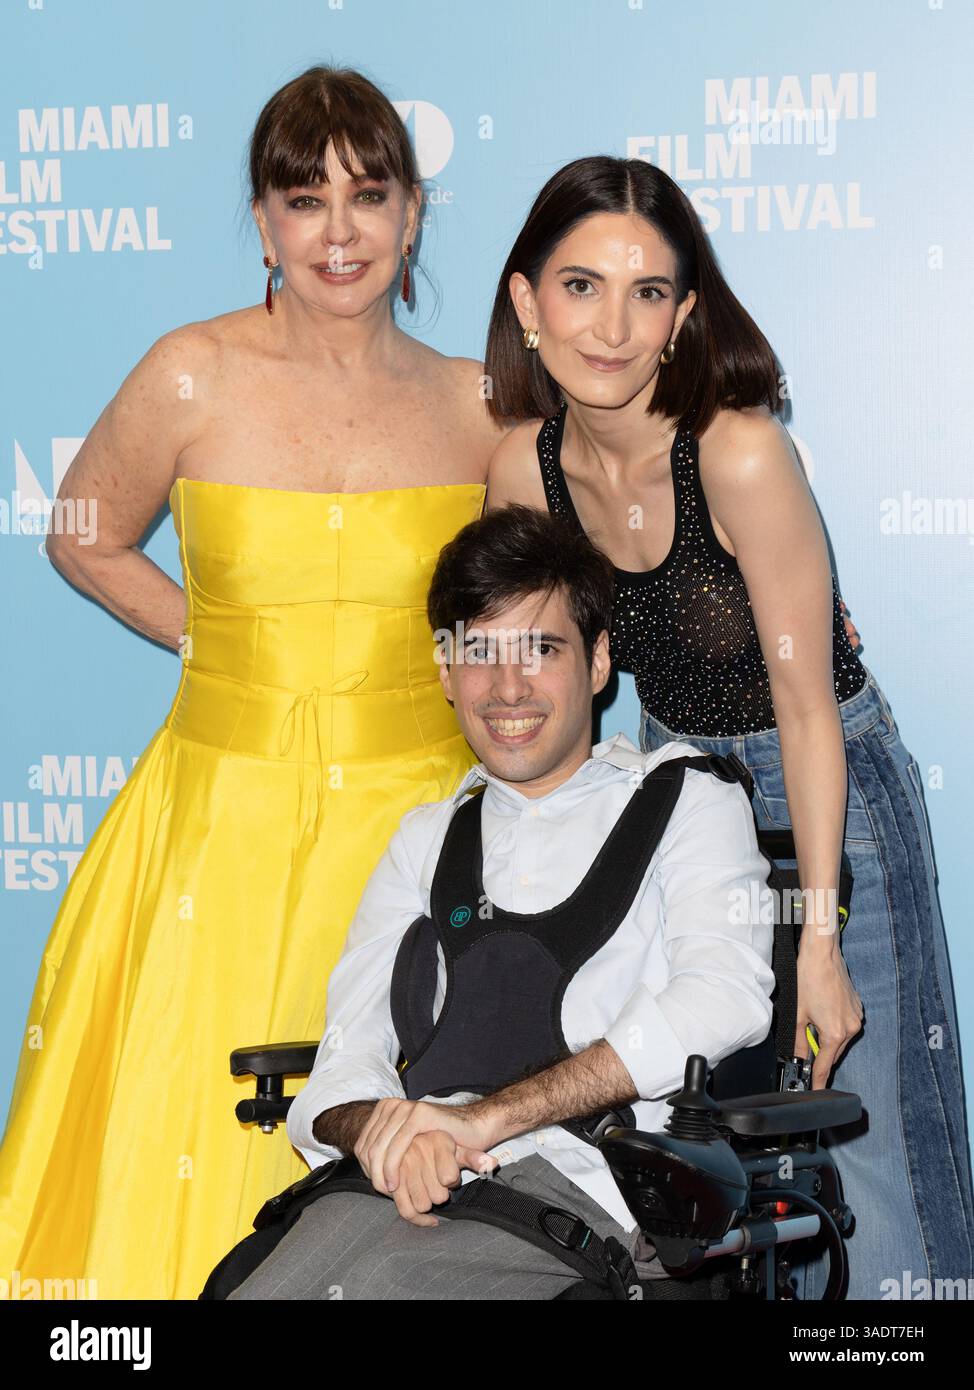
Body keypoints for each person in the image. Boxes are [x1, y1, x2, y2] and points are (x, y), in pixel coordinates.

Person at [0, 65, 505, 1301]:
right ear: (264, 221)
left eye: (368, 197)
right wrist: (215, 644)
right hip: (210, 832)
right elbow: (80, 529)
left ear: (414, 214)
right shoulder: (191, 372)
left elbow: (544, 599)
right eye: (302, 200)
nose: (338, 233)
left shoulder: (474, 400)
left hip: (414, 833)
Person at [482, 154, 974, 1299]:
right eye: (580, 285)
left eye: (648, 291)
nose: (611, 324)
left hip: (824, 800)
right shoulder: (521, 468)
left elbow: (804, 709)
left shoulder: (738, 453)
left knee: (862, 1146)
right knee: (714, 1147)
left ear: (683, 314)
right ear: (524, 302)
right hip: (677, 793)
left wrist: (815, 941)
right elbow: (539, 678)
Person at [219, 502, 775, 1300]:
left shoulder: (688, 801)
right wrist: (384, 1133)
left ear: (597, 661)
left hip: (589, 1197)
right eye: (479, 652)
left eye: (540, 648)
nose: (508, 686)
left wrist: (484, 1121)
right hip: (397, 1185)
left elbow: (723, 998)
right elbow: (346, 1061)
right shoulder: (426, 839)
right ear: (446, 674)